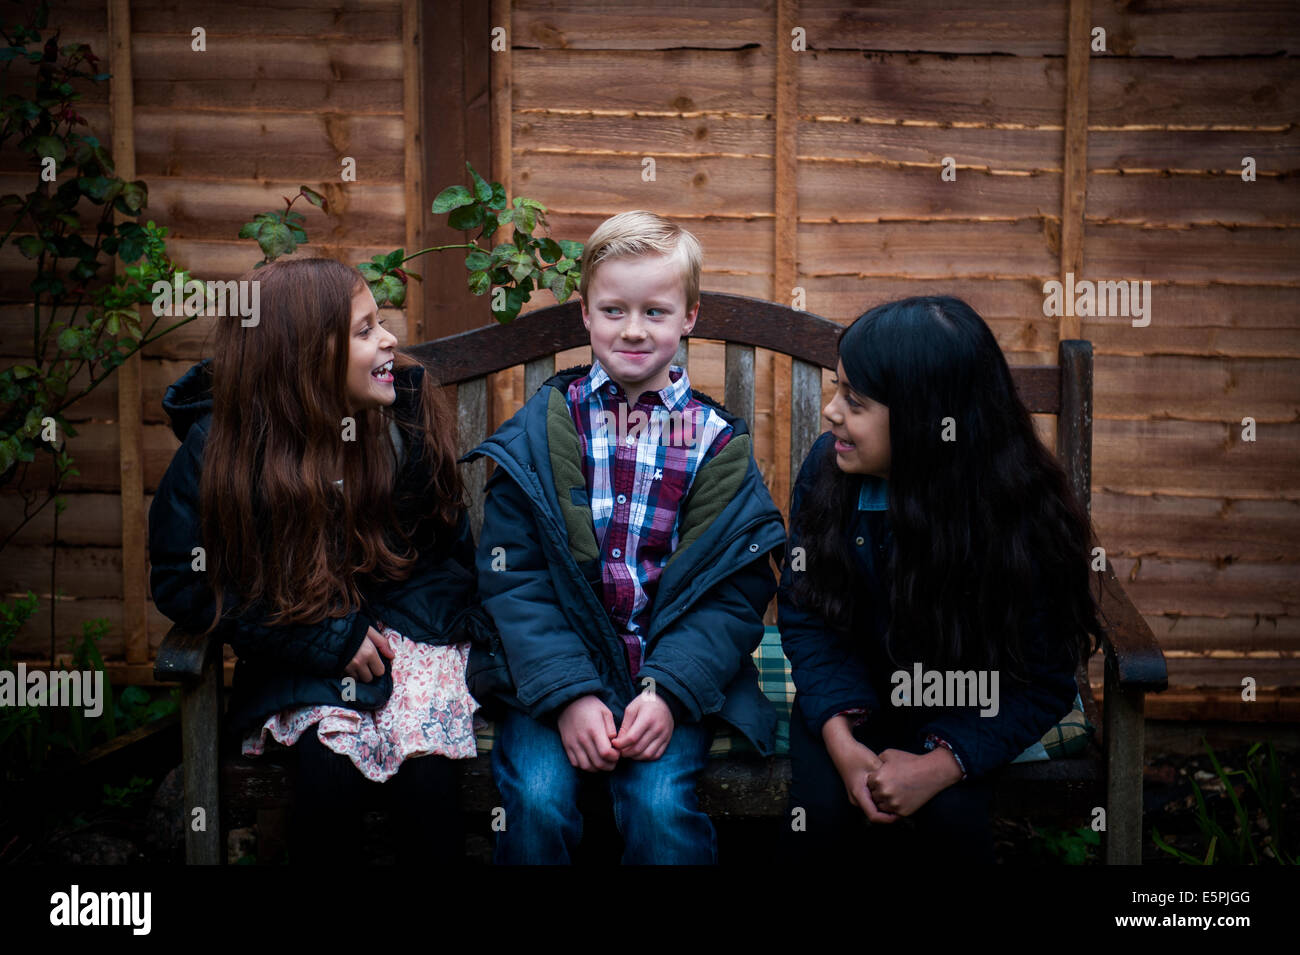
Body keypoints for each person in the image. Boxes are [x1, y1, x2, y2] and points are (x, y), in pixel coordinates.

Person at [466, 210, 786, 864]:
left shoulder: (715, 447)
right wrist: (569, 693)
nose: (633, 329)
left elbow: (732, 594)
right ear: (585, 313)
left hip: (667, 680)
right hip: (551, 674)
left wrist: (669, 690)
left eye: (655, 312)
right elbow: (514, 578)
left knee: (660, 807)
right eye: (614, 310)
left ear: (689, 317)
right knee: (538, 798)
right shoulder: (543, 433)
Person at [148, 256, 486, 865]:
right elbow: (184, 581)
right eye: (364, 330)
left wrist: (406, 639)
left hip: (412, 638)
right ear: (303, 358)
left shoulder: (401, 424)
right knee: (327, 771)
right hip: (296, 645)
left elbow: (449, 559)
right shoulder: (221, 449)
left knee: (427, 773)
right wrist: (324, 635)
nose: (389, 340)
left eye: (381, 322)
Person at [778, 295, 1103, 864]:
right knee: (819, 817)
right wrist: (841, 740)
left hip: (970, 705)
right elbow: (808, 616)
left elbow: (1044, 678)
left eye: (855, 401)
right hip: (852, 695)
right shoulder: (830, 474)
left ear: (926, 420)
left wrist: (940, 765)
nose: (831, 411)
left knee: (951, 820)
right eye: (836, 389)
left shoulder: (1019, 517)